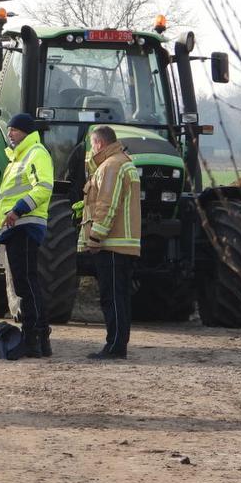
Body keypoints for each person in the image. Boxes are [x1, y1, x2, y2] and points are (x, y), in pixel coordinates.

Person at [0, 112, 54, 357]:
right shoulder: (16, 159)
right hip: (15, 228)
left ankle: (34, 337)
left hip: (25, 225)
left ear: (26, 132)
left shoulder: (36, 153)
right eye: (9, 130)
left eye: (14, 130)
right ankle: (38, 339)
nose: (9, 134)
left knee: (27, 283)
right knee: (24, 283)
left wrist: (18, 210)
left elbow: (44, 187)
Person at [77, 126, 141, 359]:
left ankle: (114, 347)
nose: (91, 150)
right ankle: (117, 344)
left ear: (100, 144)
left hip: (112, 244)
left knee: (112, 297)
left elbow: (106, 205)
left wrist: (95, 237)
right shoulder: (124, 163)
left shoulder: (111, 166)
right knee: (120, 297)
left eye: (92, 145)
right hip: (124, 244)